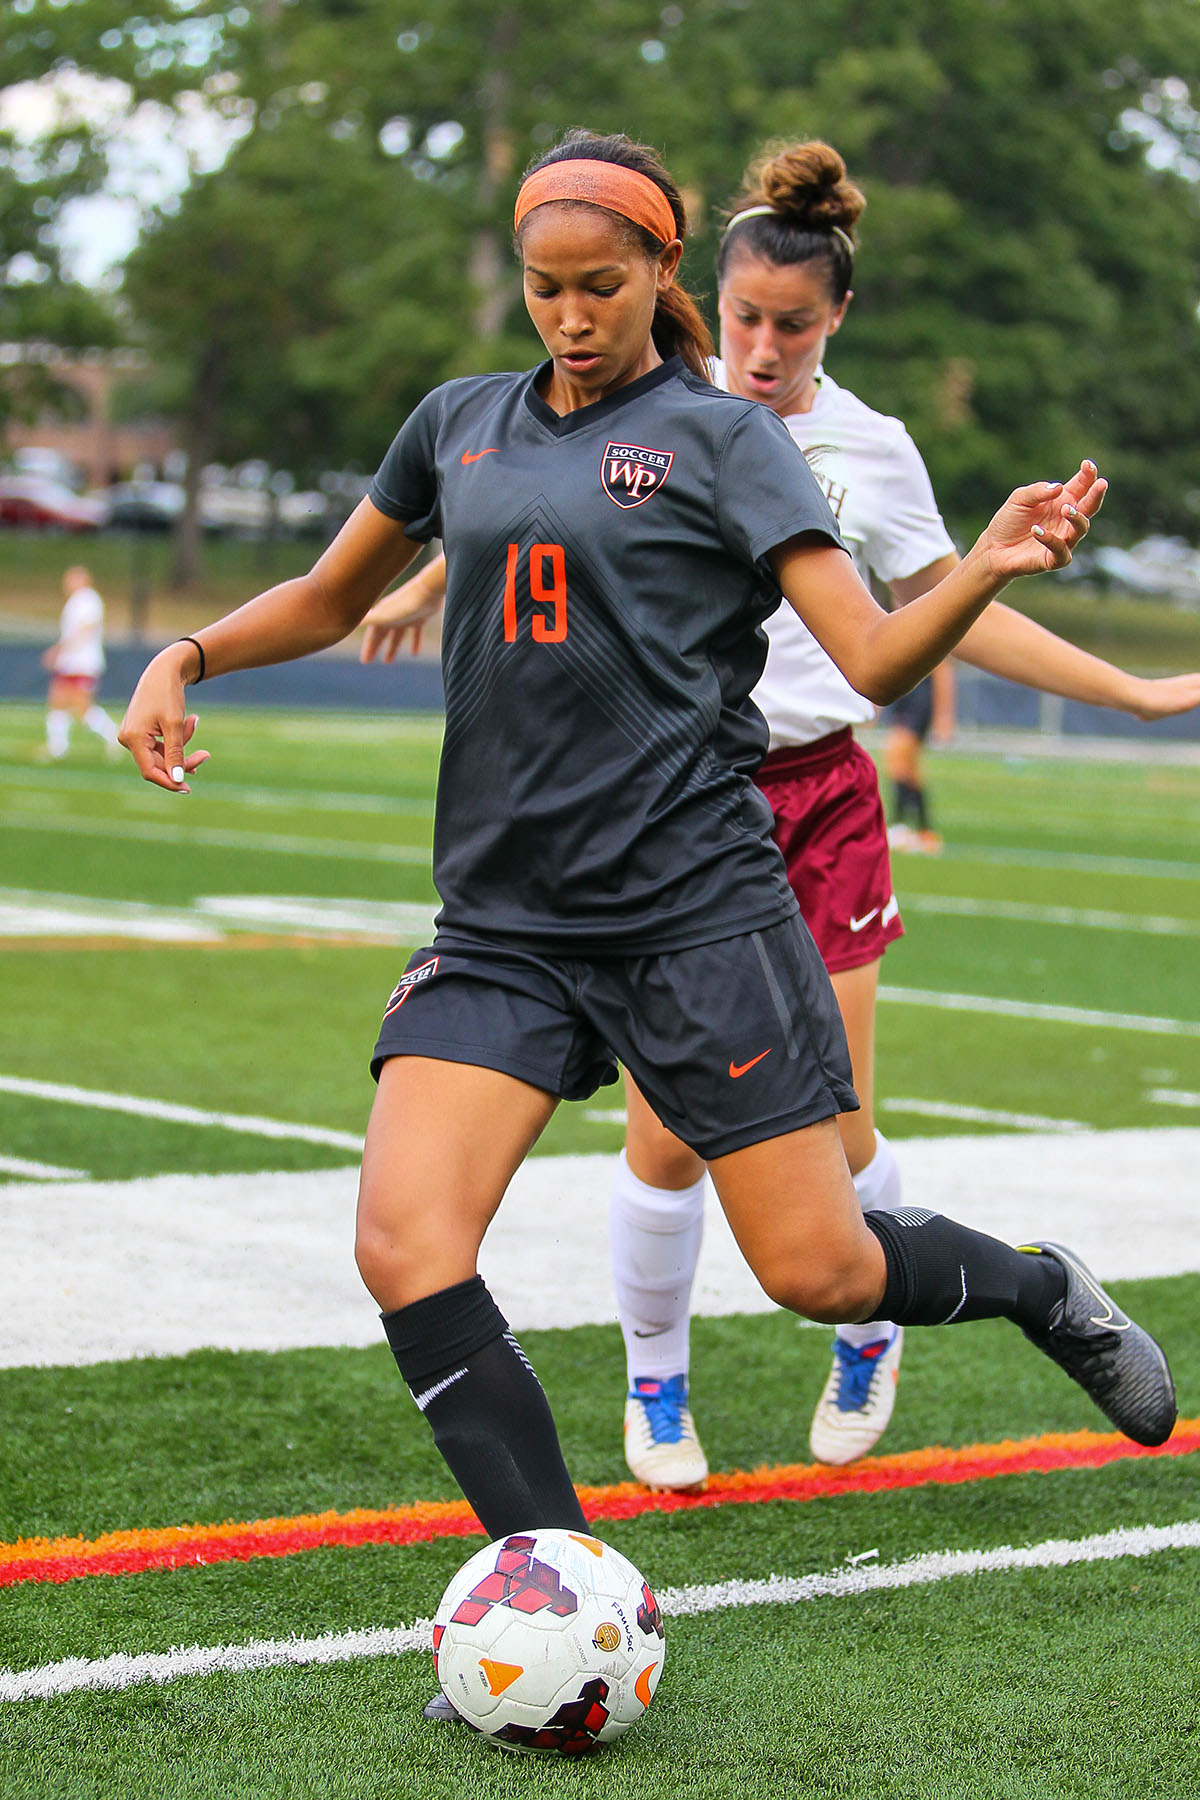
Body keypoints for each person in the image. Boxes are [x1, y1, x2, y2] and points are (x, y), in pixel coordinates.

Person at [119, 132, 1174, 1730]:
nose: (568, 316)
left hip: (694, 915)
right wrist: (187, 653)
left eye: (600, 287)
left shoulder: (720, 439)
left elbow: (877, 659)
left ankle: (1037, 1291)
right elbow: (336, 597)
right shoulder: (459, 425)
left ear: (663, 274)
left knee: (824, 1271)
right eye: (544, 289)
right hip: (506, 924)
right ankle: (560, 1588)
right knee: (405, 1243)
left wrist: (991, 569)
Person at [363, 138, 1200, 1492]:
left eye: (791, 325)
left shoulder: (842, 447)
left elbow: (912, 633)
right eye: (745, 319)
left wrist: (1135, 690)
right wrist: (403, 587)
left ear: (835, 320)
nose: (760, 346)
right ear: (711, 299)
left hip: (781, 816)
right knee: (616, 1158)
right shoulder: (620, 400)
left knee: (831, 1195)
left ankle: (932, 1309)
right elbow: (525, 511)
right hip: (582, 850)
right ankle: (645, 1406)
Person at [41, 565, 122, 761]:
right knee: (57, 701)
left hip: (83, 662)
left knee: (82, 707)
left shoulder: (88, 599)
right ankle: (57, 747)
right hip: (70, 662)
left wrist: (61, 649)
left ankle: (115, 736)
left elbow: (86, 628)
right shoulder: (75, 601)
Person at [884, 668, 955, 853]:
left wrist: (944, 715)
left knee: (898, 756)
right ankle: (924, 831)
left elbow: (943, 671)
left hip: (920, 698)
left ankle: (901, 825)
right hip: (903, 696)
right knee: (907, 767)